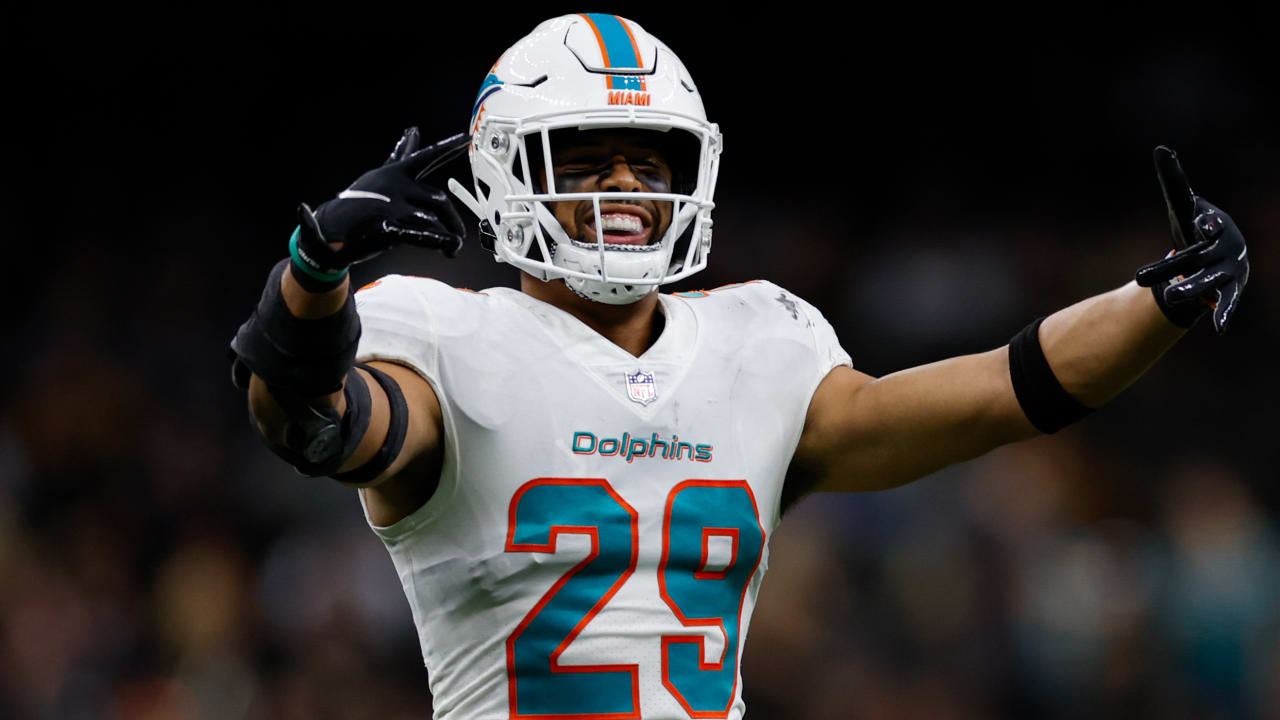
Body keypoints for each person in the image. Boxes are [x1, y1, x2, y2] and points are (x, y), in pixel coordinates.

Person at [229, 13, 1250, 720]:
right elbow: (309, 421)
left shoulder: (759, 346)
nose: (626, 183)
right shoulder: (442, 336)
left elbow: (1000, 389)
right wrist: (311, 271)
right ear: (505, 173)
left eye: (650, 159)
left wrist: (1154, 302)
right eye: (585, 156)